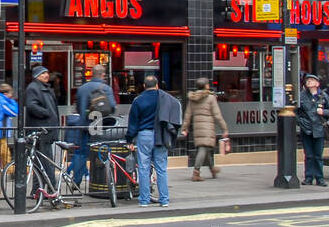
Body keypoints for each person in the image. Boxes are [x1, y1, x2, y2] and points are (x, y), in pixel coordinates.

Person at [126, 74, 178, 207]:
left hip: (144, 136)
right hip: (160, 135)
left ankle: (144, 200)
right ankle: (164, 200)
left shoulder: (138, 100)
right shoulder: (164, 98)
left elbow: (133, 123)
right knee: (161, 168)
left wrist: (130, 139)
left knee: (143, 168)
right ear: (157, 85)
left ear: (144, 86)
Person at [68, 64, 116, 191]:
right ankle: (100, 181)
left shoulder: (82, 88)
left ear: (92, 74)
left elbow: (78, 108)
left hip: (83, 124)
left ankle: (76, 182)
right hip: (99, 126)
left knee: (80, 154)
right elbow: (112, 106)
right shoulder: (106, 88)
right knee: (101, 153)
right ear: (103, 75)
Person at [24, 64, 64, 205]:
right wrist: (47, 114)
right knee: (46, 163)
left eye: (47, 73)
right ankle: (52, 192)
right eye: (43, 73)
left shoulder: (45, 88)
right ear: (37, 76)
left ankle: (36, 191)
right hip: (41, 131)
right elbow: (31, 106)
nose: (47, 75)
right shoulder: (33, 88)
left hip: (46, 130)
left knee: (39, 163)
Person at [181, 77, 229, 181]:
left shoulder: (193, 98)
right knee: (203, 148)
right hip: (207, 127)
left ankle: (212, 169)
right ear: (206, 86)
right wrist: (224, 128)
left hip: (198, 128)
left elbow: (188, 114)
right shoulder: (210, 97)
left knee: (205, 148)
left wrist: (185, 128)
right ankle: (196, 172)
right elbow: (217, 114)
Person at [296, 73, 329, 186]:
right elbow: (296, 112)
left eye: (312, 80)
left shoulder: (323, 96)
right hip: (306, 129)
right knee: (309, 155)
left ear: (317, 84)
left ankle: (319, 178)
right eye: (307, 80)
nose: (309, 82)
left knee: (318, 155)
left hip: (319, 129)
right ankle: (308, 177)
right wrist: (302, 123)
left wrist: (323, 112)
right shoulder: (301, 96)